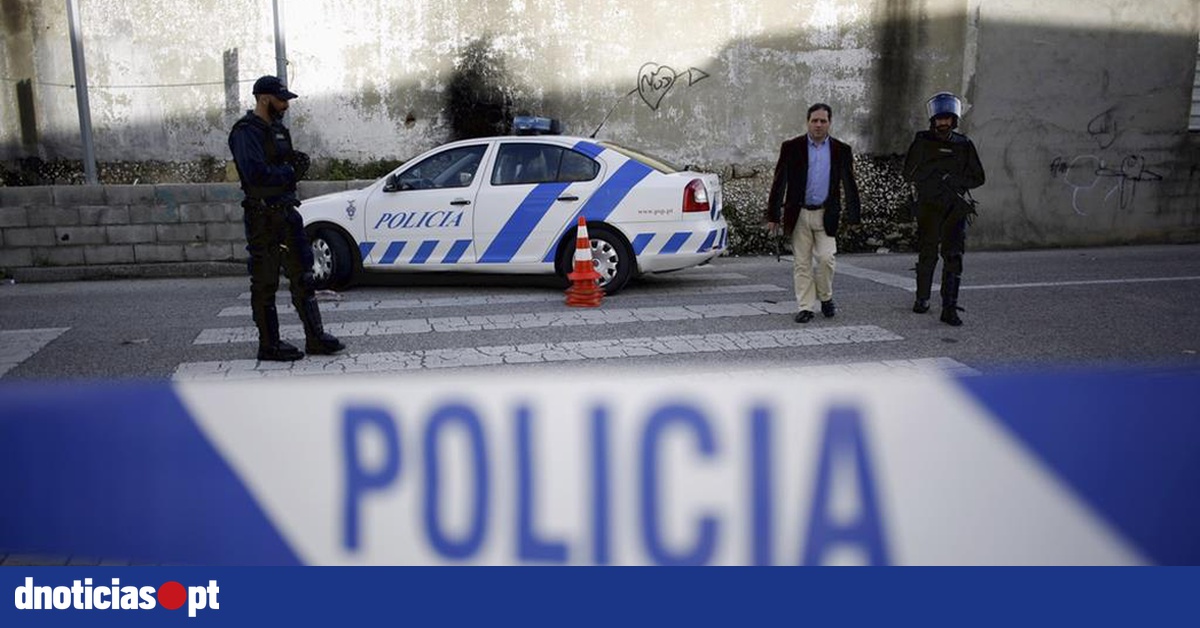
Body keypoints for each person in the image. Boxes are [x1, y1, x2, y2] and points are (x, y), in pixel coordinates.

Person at [228, 75, 345, 361]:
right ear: (264, 98)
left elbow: (283, 162)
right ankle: (269, 345)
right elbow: (255, 173)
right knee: (265, 282)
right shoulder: (245, 132)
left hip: (287, 212)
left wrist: (294, 163)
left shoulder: (278, 130)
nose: (285, 105)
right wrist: (290, 172)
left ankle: (315, 338)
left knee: (304, 276)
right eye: (281, 100)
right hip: (262, 216)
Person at [766, 103, 861, 323]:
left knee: (827, 259)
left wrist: (854, 216)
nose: (818, 125)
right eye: (814, 121)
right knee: (802, 263)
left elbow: (849, 184)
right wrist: (773, 216)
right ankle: (806, 307)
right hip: (799, 213)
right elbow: (779, 182)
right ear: (808, 122)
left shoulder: (841, 150)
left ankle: (826, 297)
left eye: (823, 121)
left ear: (829, 123)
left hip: (826, 214)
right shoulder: (792, 147)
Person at [902, 92, 986, 326]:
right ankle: (922, 298)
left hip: (954, 209)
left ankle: (949, 307)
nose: (943, 123)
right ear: (933, 120)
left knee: (954, 257)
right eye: (939, 119)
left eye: (947, 119)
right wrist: (932, 176)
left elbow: (978, 177)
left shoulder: (964, 144)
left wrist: (955, 181)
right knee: (927, 254)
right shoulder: (922, 141)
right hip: (929, 207)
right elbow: (908, 172)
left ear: (954, 120)